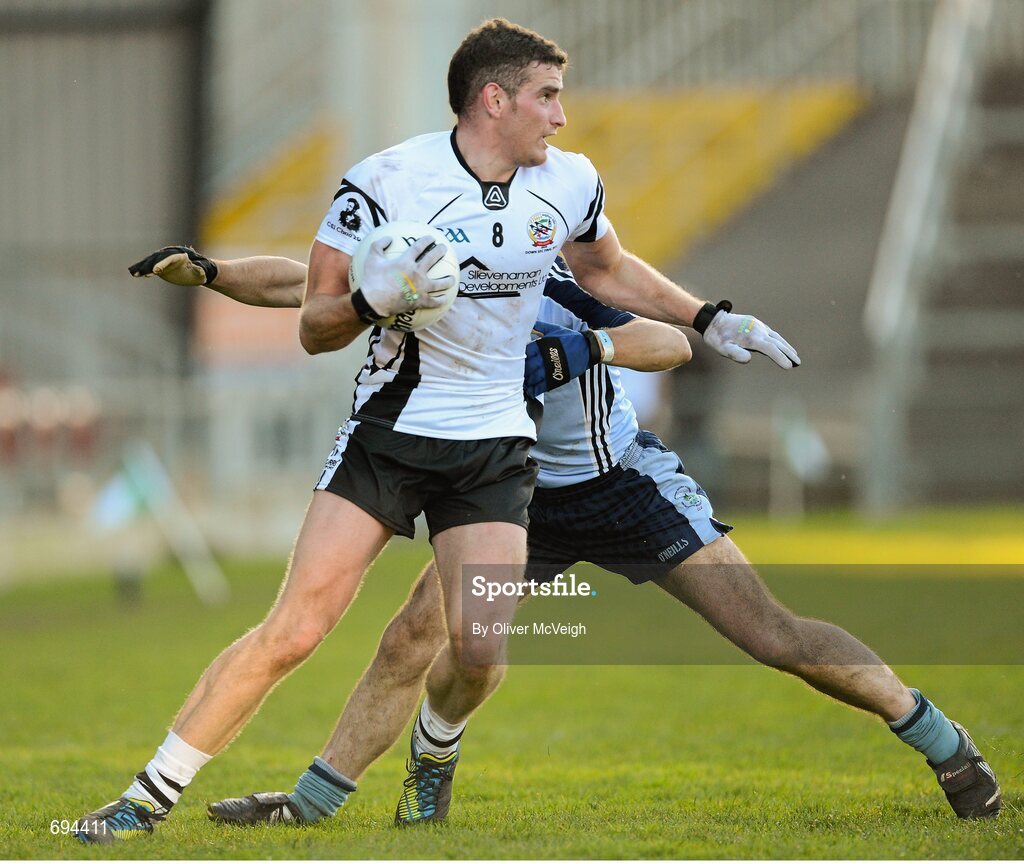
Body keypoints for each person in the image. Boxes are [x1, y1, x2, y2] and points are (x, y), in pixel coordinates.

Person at [75, 18, 803, 844]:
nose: (561, 116)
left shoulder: (569, 182)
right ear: (494, 100)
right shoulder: (386, 181)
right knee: (297, 629)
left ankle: (429, 760)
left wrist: (708, 316)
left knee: (480, 651)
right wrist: (370, 304)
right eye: (547, 97)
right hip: (390, 433)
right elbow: (315, 322)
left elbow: (608, 269)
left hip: (494, 451)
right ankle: (145, 798)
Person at [137, 249, 999, 826]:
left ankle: (940, 740)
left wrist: (576, 350)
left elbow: (666, 344)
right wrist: (211, 272)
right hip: (507, 493)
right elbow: (304, 285)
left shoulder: (546, 278)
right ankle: (323, 802)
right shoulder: (428, 266)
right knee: (416, 639)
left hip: (623, 487)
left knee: (772, 635)